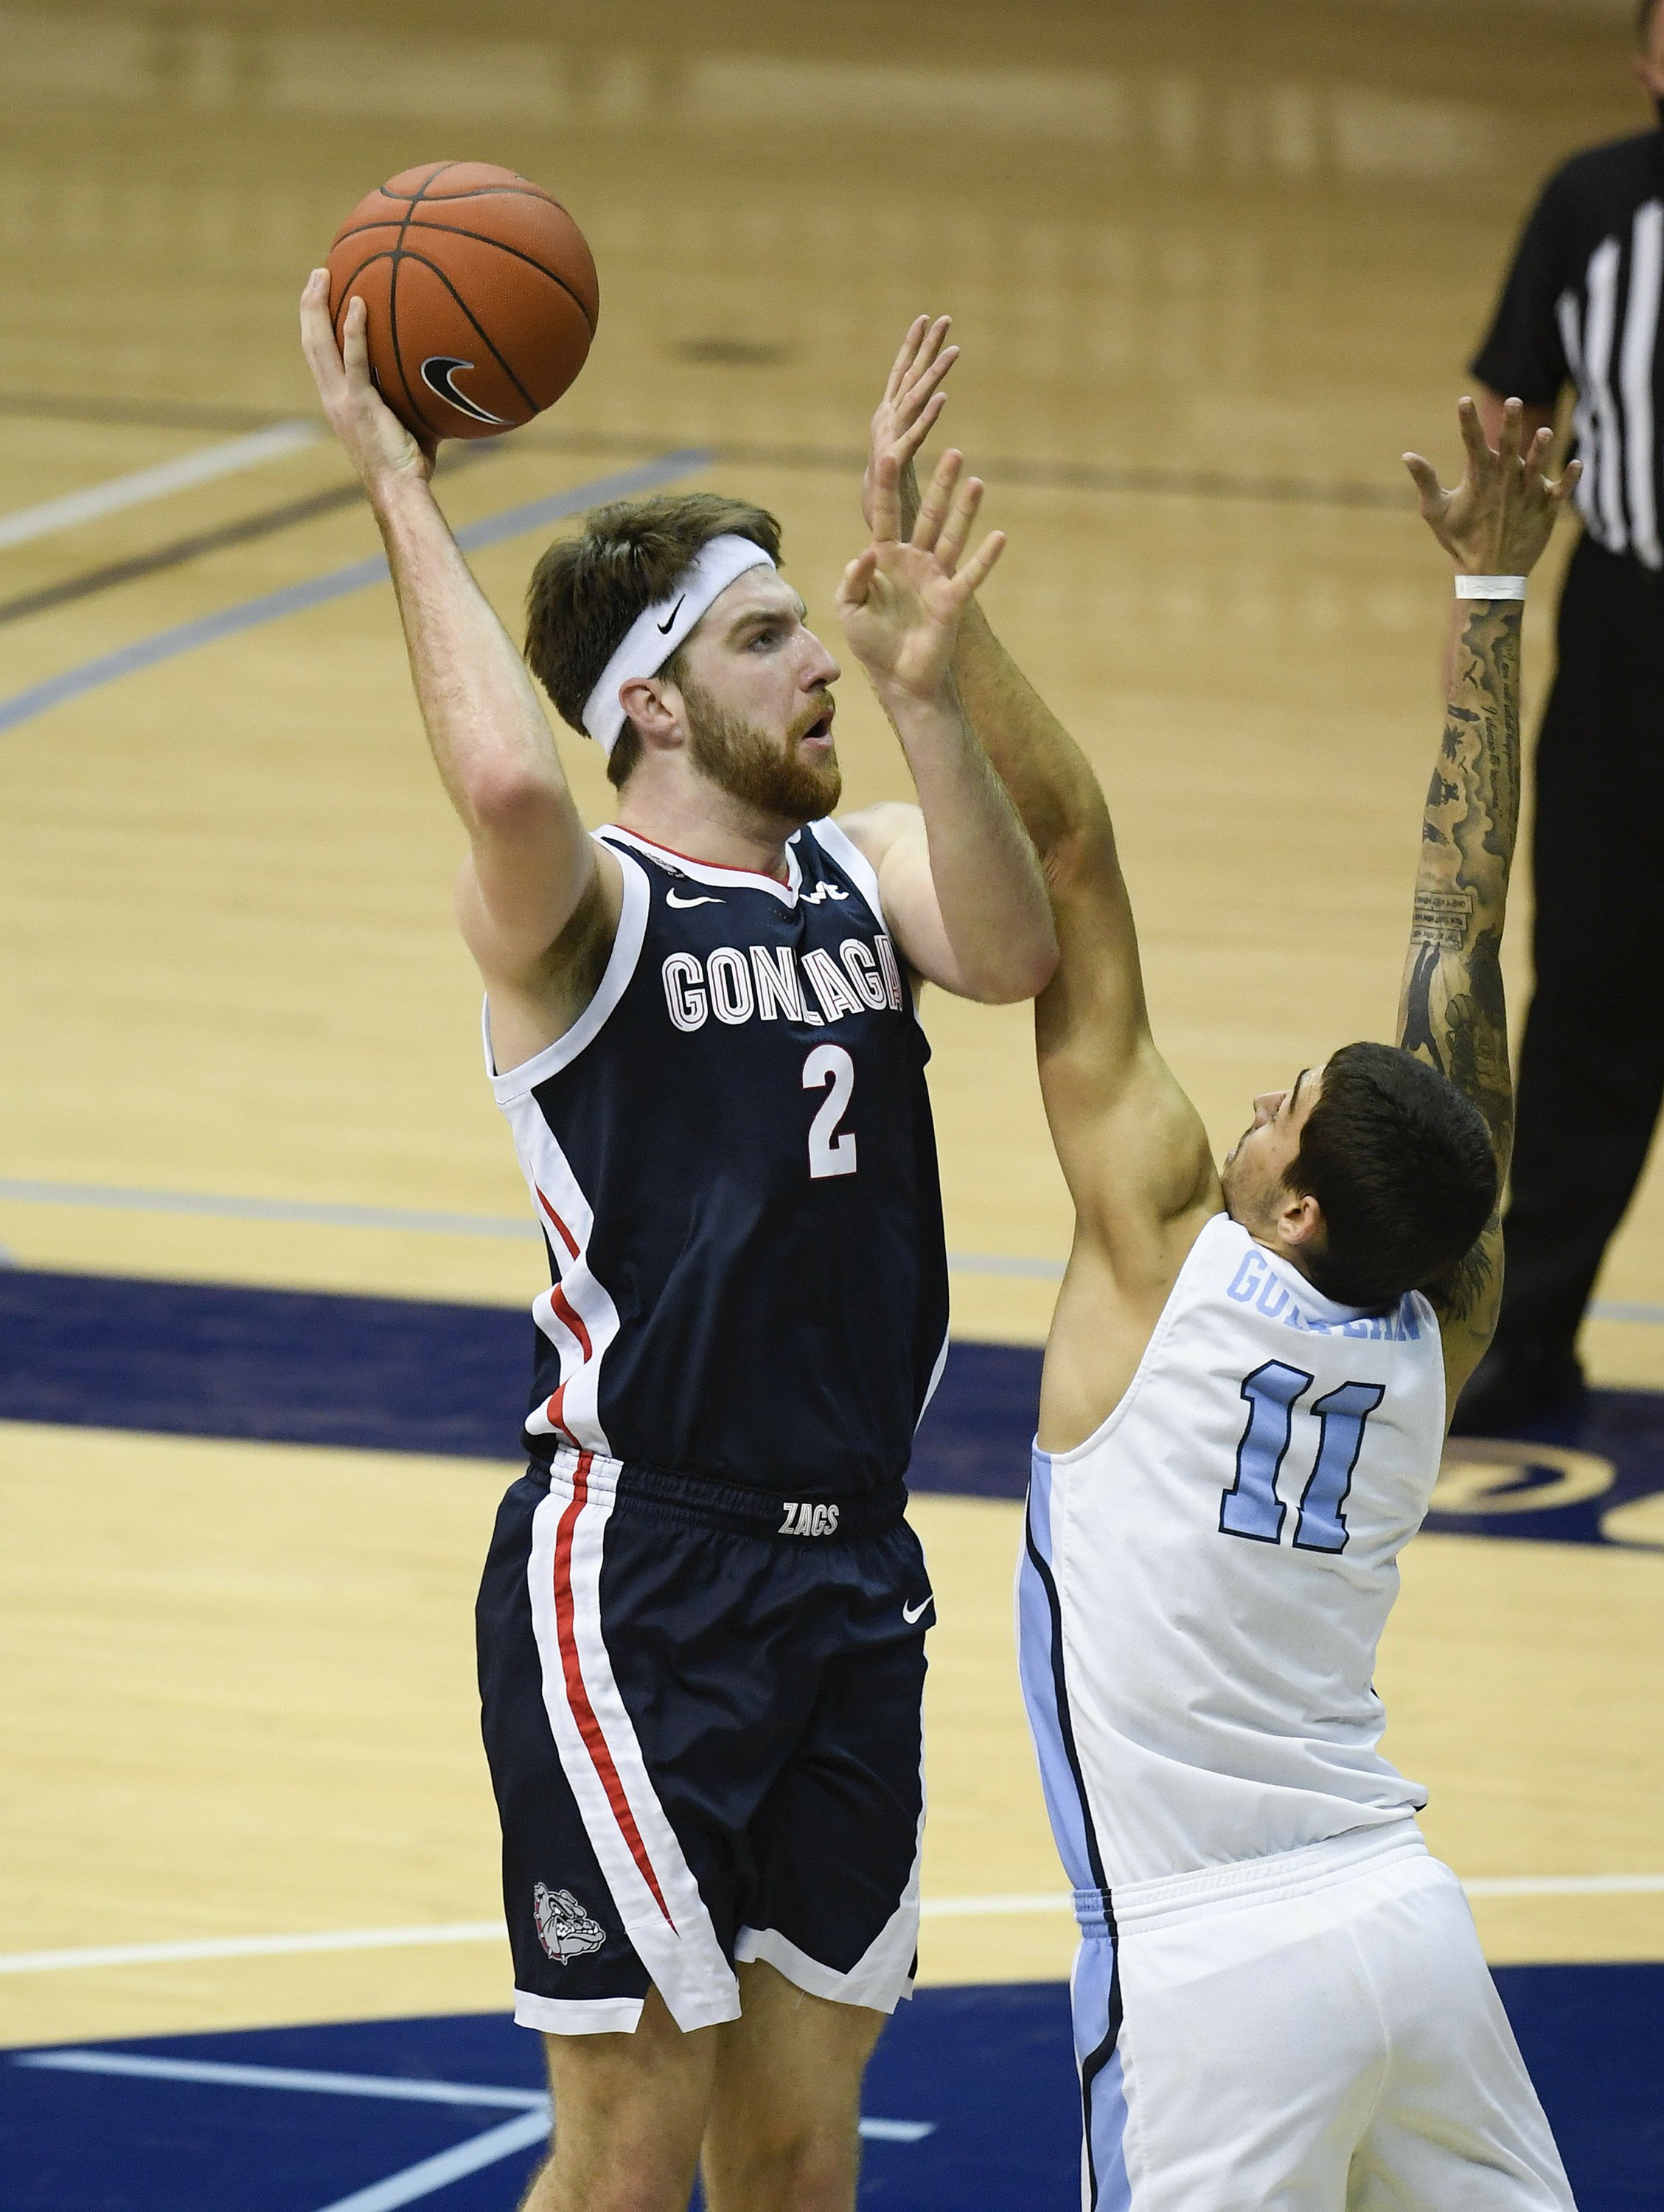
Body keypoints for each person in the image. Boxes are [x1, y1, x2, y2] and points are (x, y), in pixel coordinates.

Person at [298, 274, 1056, 2212]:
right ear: (651, 698)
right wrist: (396, 481)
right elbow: (493, 782)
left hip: (853, 1569)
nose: (811, 660)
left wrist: (913, 675)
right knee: (630, 2157)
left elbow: (1017, 946)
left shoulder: (857, 872)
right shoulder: (583, 918)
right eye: (768, 637)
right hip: (637, 1568)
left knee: (798, 2154)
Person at [871, 321, 1578, 2208]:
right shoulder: (1447, 1314)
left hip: (1208, 1973)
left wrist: (947, 654)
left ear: (1290, 1213)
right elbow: (1464, 929)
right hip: (1404, 1930)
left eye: (1278, 1111)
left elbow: (1076, 849)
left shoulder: (1155, 1252)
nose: (1255, 1104)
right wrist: (1493, 589)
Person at [1455, 0, 1664, 1431]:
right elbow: (1506, 397)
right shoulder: (1593, 206)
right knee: (1593, 988)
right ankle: (1526, 1344)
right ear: (1646, 54)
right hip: (1632, 636)